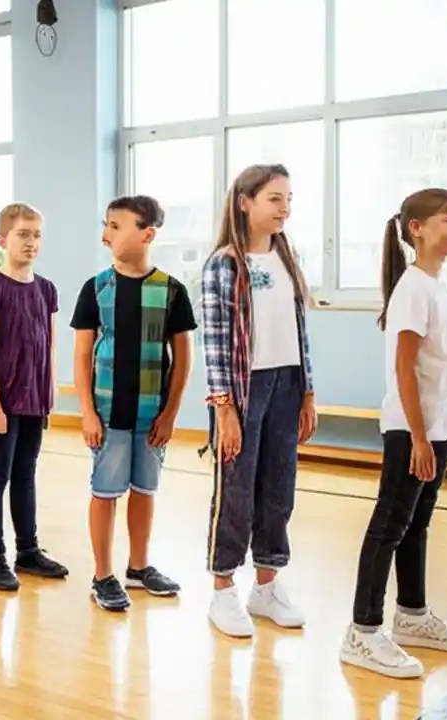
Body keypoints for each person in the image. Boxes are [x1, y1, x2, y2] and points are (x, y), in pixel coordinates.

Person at [339, 188, 447, 679]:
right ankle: (363, 630)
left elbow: (446, 366)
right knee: (389, 527)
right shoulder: (413, 289)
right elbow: (404, 368)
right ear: (417, 228)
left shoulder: (436, 287)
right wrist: (418, 437)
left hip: (436, 427)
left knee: (416, 525)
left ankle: (412, 615)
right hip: (410, 431)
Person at [200, 164, 319, 637]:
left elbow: (299, 332)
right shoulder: (225, 264)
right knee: (236, 490)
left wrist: (307, 391)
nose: (284, 208)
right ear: (245, 201)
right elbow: (215, 343)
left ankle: (267, 585)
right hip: (243, 391)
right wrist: (224, 410)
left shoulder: (287, 259)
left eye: (288, 198)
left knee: (278, 486)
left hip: (287, 384)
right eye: (274, 198)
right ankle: (224, 589)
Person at [70, 195, 197, 611]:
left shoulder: (172, 291)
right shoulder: (96, 289)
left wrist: (171, 413)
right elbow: (82, 355)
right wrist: (86, 412)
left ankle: (139, 568)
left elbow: (182, 357)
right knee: (105, 492)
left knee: (145, 490)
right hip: (107, 416)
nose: (106, 233)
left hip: (152, 417)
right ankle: (102, 575)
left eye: (115, 225)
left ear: (147, 233)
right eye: (105, 224)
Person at [0, 203, 69, 591]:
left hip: (34, 401)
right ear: (2, 240)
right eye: (23, 234)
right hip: (3, 400)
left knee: (25, 476)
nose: (31, 242)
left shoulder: (46, 289)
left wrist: (49, 392)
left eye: (37, 235)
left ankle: (27, 551)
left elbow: (49, 345)